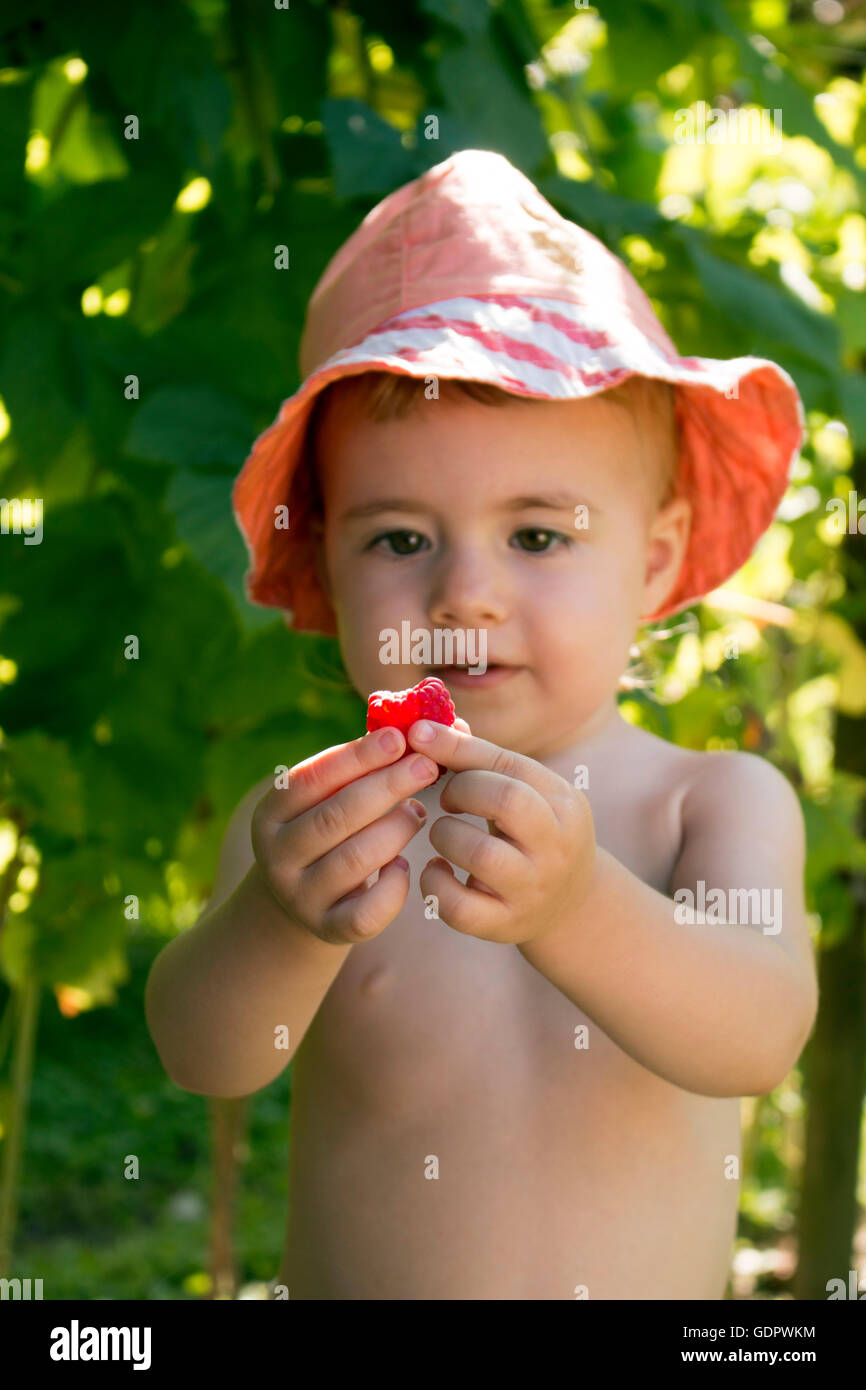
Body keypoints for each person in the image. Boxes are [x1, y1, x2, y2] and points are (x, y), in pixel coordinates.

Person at [145, 150, 818, 1300]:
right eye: (399, 539)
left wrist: (581, 904)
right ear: (328, 567)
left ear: (650, 562)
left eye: (537, 537)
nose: (464, 594)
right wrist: (280, 922)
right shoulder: (306, 821)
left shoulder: (705, 802)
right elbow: (207, 1058)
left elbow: (755, 1034)